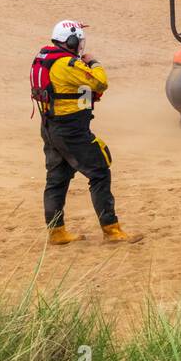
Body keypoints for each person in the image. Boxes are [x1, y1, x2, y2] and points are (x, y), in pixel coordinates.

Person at [30, 20, 134, 244]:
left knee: (56, 179)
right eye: (79, 41)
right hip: (71, 131)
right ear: (71, 41)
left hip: (50, 127)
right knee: (99, 173)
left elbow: (74, 90)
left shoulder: (44, 58)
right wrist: (94, 62)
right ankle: (112, 230)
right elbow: (100, 83)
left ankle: (57, 233)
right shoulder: (67, 64)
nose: (80, 46)